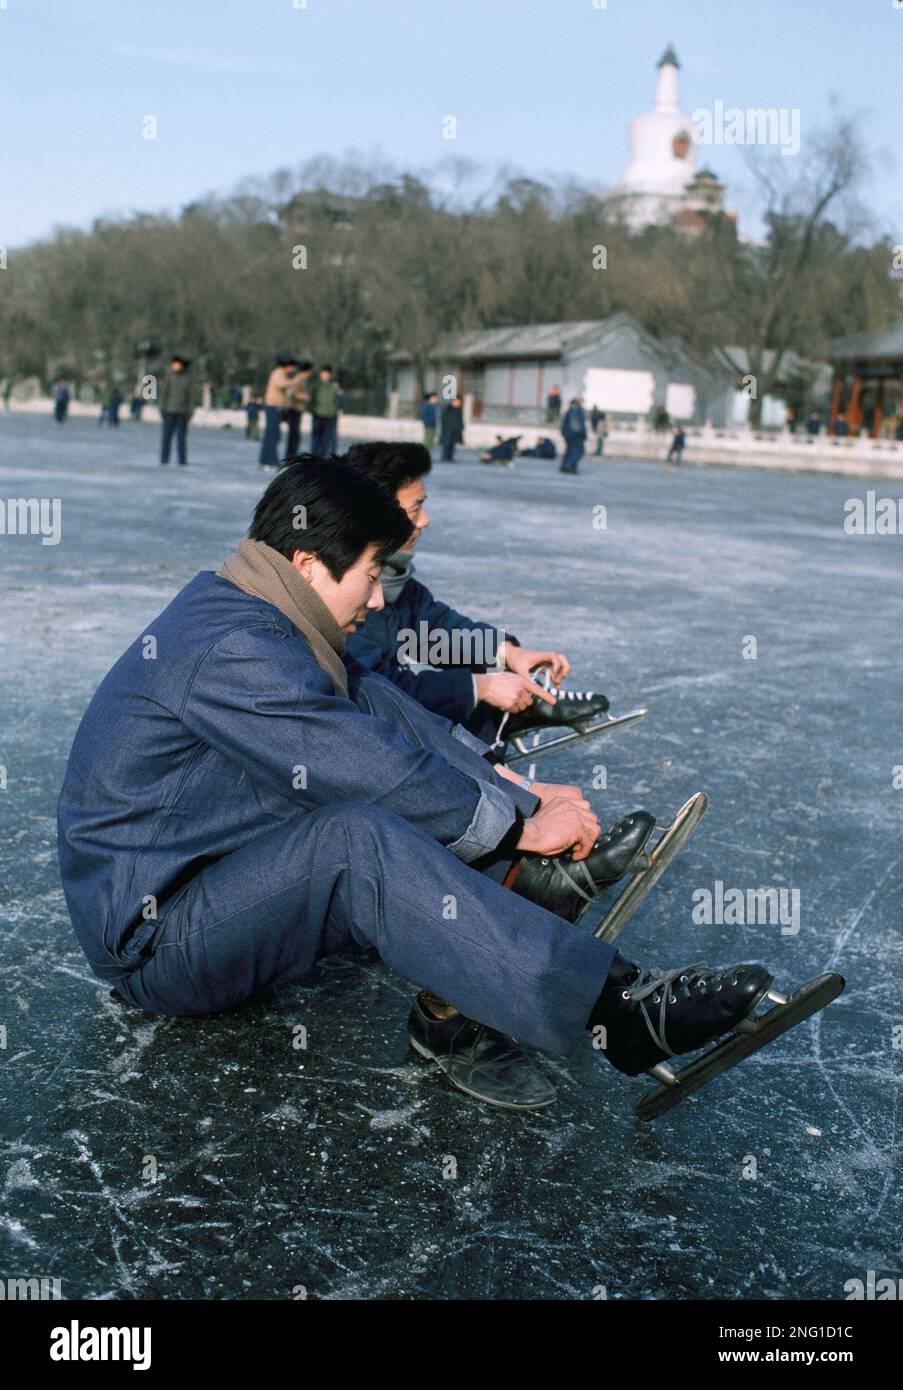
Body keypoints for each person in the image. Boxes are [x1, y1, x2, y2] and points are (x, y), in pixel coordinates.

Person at [57, 453, 774, 1111]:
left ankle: (528, 885)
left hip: (217, 882)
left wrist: (521, 803)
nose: (376, 600)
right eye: (372, 573)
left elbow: (390, 723)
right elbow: (357, 762)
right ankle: (619, 1014)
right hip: (155, 942)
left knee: (373, 728)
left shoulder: (263, 620)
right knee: (354, 840)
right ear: (309, 564)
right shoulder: (232, 646)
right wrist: (518, 828)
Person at [345, 441, 608, 748]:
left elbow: (436, 634)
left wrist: (507, 653)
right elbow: (372, 690)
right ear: (380, 511)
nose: (425, 520)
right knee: (469, 698)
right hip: (362, 742)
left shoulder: (394, 581)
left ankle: (508, 717)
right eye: (416, 508)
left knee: (481, 685)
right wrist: (477, 688)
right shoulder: (346, 591)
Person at [260, 355, 300, 470]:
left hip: (276, 407)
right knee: (272, 434)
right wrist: (295, 381)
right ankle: (269, 460)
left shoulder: (281, 373)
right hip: (273, 407)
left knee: (272, 434)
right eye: (292, 366)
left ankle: (267, 460)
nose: (293, 369)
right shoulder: (278, 373)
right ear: (287, 365)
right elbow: (282, 385)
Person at [159, 356, 195, 467]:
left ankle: (182, 460)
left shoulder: (187, 379)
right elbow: (164, 395)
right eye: (174, 365)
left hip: (182, 413)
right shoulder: (169, 378)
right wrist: (162, 409)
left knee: (181, 439)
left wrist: (190, 412)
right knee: (166, 438)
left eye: (177, 365)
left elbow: (191, 397)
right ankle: (164, 459)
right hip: (169, 412)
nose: (175, 367)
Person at [283, 360, 313, 461]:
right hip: (294, 409)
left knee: (295, 435)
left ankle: (291, 456)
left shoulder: (300, 379)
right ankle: (290, 457)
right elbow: (293, 393)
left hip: (296, 409)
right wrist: (305, 397)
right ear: (307, 371)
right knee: (294, 435)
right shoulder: (298, 379)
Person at [309, 365, 341, 457]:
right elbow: (310, 399)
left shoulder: (334, 386)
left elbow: (339, 400)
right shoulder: (315, 385)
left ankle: (323, 459)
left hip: (331, 416)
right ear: (320, 374)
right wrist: (312, 410)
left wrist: (336, 410)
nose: (325, 376)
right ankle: (314, 458)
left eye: (327, 374)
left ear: (329, 375)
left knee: (327, 440)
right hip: (318, 415)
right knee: (316, 439)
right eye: (323, 374)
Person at [560, 396, 587, 474]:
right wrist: (582, 433)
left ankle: (566, 467)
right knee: (579, 451)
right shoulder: (576, 410)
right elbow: (576, 425)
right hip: (576, 435)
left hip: (569, 434)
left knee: (569, 451)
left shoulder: (570, 410)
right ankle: (569, 465)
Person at [439, 396, 464, 462]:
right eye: (458, 401)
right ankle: (445, 457)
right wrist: (445, 428)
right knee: (447, 444)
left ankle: (450, 457)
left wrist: (461, 427)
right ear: (454, 401)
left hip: (455, 430)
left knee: (452, 444)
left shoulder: (458, 409)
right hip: (448, 430)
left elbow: (459, 420)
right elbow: (444, 419)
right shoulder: (448, 409)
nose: (459, 403)